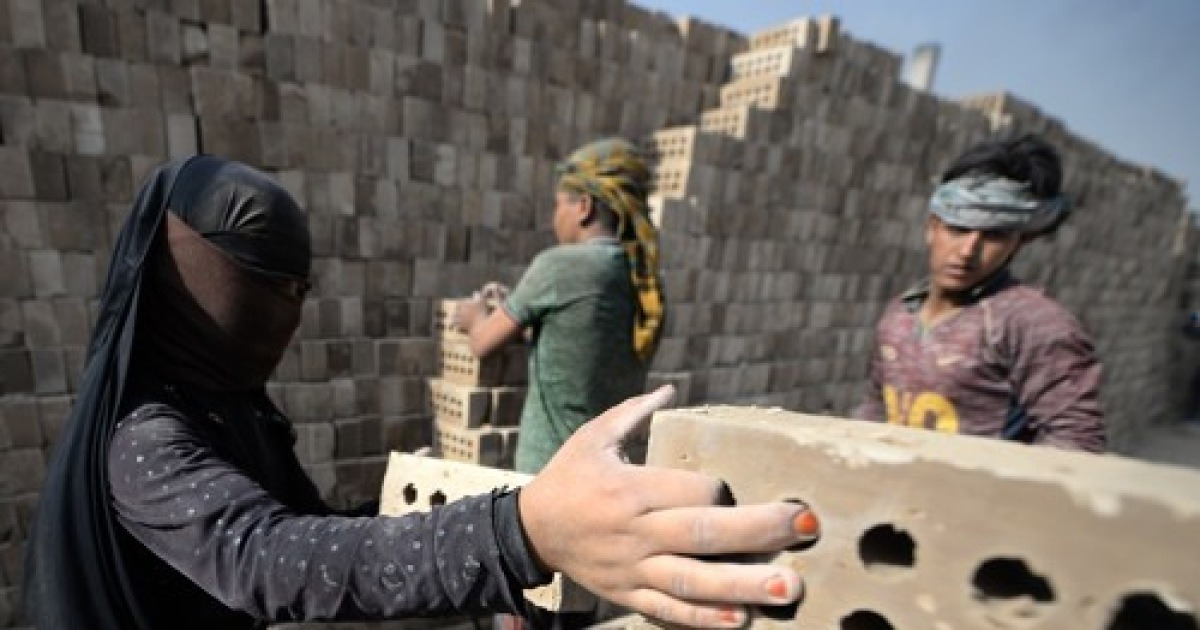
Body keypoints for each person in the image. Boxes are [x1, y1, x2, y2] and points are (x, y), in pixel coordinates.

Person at [24, 155, 820, 630]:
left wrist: (464, 519)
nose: (288, 312)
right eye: (267, 285)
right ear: (180, 281)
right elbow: (269, 561)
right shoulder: (145, 439)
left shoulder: (233, 408)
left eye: (302, 288)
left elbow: (312, 535)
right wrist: (519, 533)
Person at [857, 133, 1106, 452]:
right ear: (932, 227)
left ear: (1021, 241)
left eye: (994, 236)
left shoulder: (1031, 323)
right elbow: (875, 409)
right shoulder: (900, 314)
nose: (968, 251)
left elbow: (1077, 440)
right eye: (958, 229)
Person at [453, 138, 664, 474]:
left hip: (551, 471)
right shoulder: (644, 279)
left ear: (584, 207)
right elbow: (583, 343)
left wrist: (475, 316)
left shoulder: (558, 266)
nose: (555, 216)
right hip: (611, 472)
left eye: (558, 205)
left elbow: (482, 343)